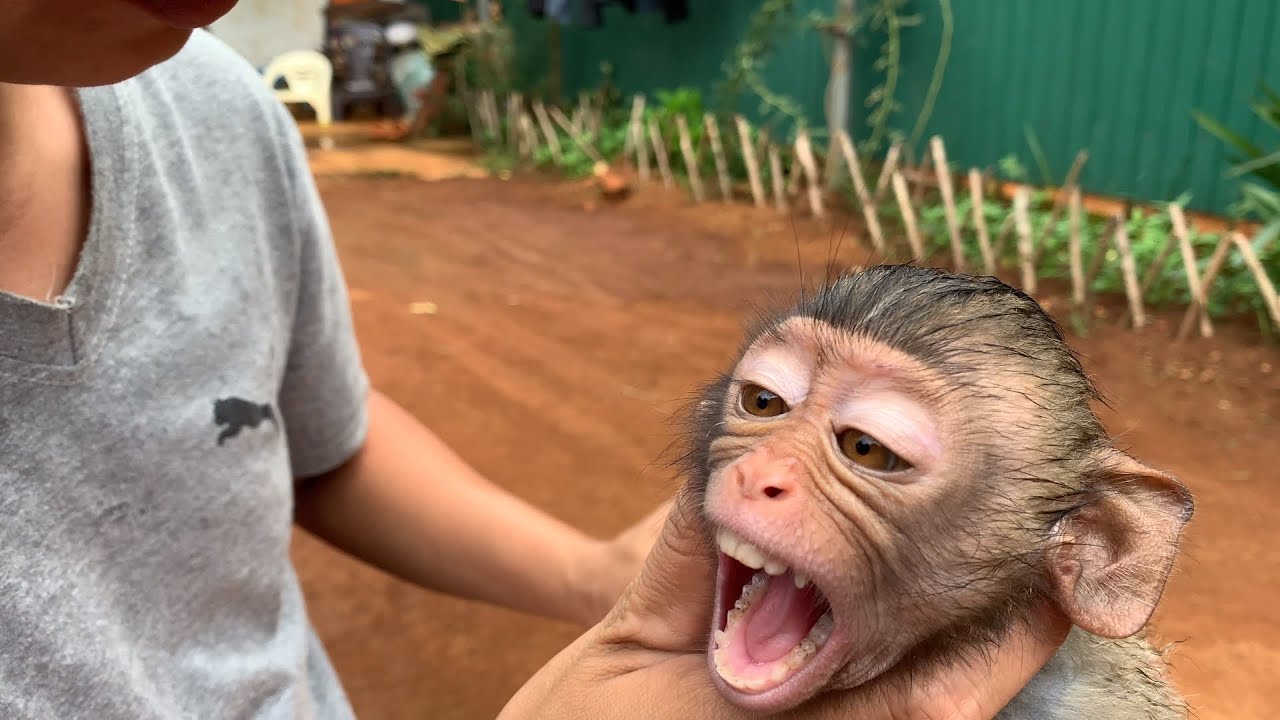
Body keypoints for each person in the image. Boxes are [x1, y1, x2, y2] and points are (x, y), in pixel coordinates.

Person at [0, 2, 1069, 718]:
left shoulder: (213, 110)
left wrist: (598, 576)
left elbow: (309, 435)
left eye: (869, 446)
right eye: (761, 403)